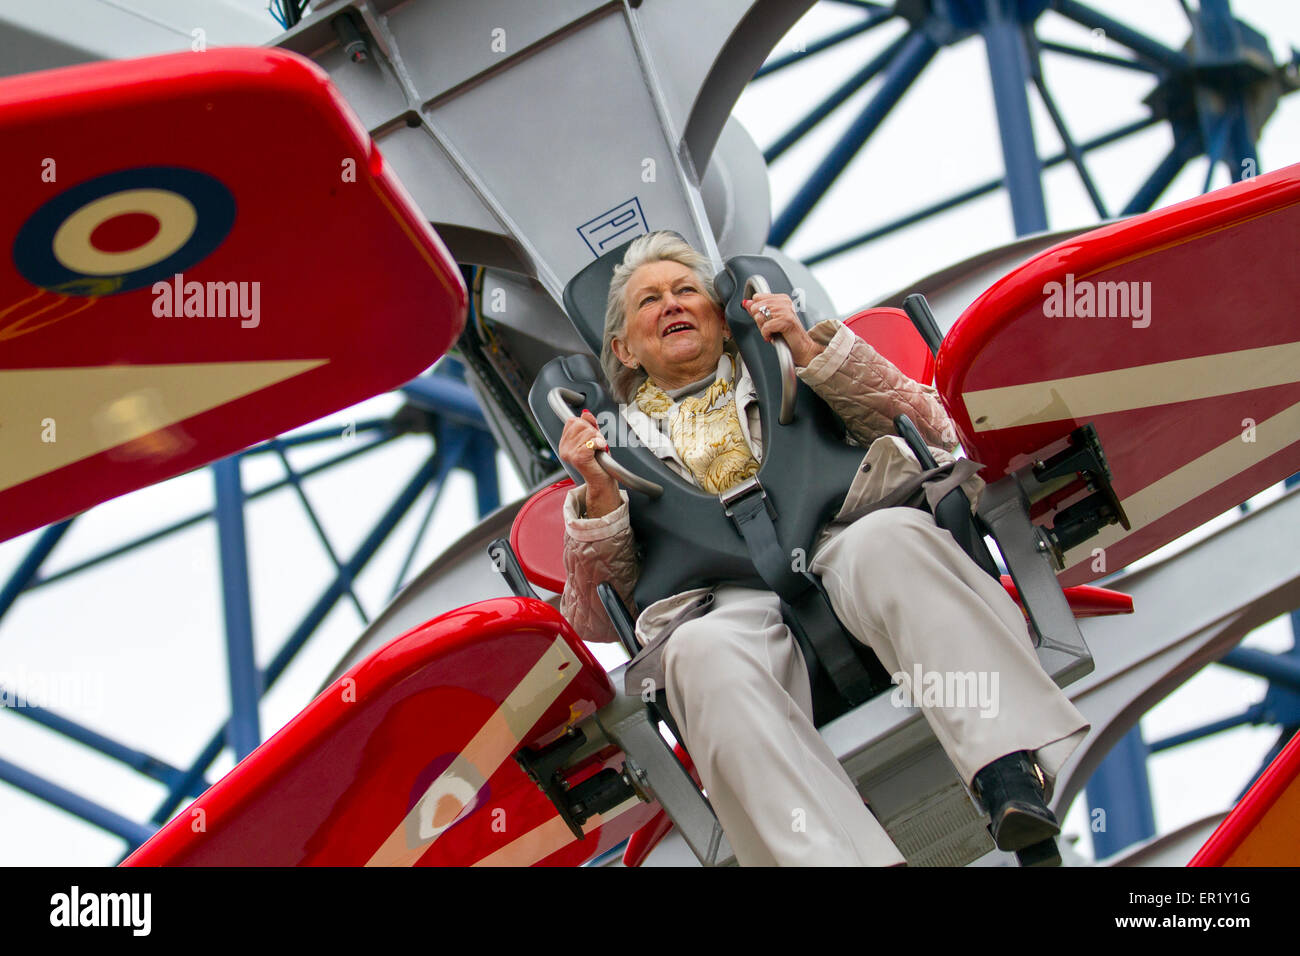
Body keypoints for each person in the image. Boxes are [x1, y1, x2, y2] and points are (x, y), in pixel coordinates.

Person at [556, 231, 1088, 866]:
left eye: (686, 290)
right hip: (724, 604)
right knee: (697, 656)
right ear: (623, 349)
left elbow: (935, 431)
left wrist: (815, 353)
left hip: (841, 534)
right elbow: (593, 617)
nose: (671, 304)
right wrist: (595, 495)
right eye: (649, 300)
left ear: (723, 321)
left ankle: (1008, 776)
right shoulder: (612, 447)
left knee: (895, 542)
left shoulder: (784, 360)